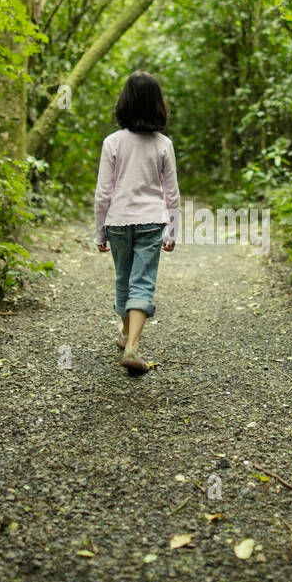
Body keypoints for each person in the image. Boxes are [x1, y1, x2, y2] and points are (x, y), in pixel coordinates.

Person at [94, 71, 181, 375]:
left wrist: (99, 230)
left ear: (125, 103)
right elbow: (172, 194)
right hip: (151, 221)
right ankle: (131, 346)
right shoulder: (163, 144)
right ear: (158, 104)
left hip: (118, 221)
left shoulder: (112, 142)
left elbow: (103, 193)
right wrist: (173, 229)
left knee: (123, 279)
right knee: (141, 281)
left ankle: (126, 335)